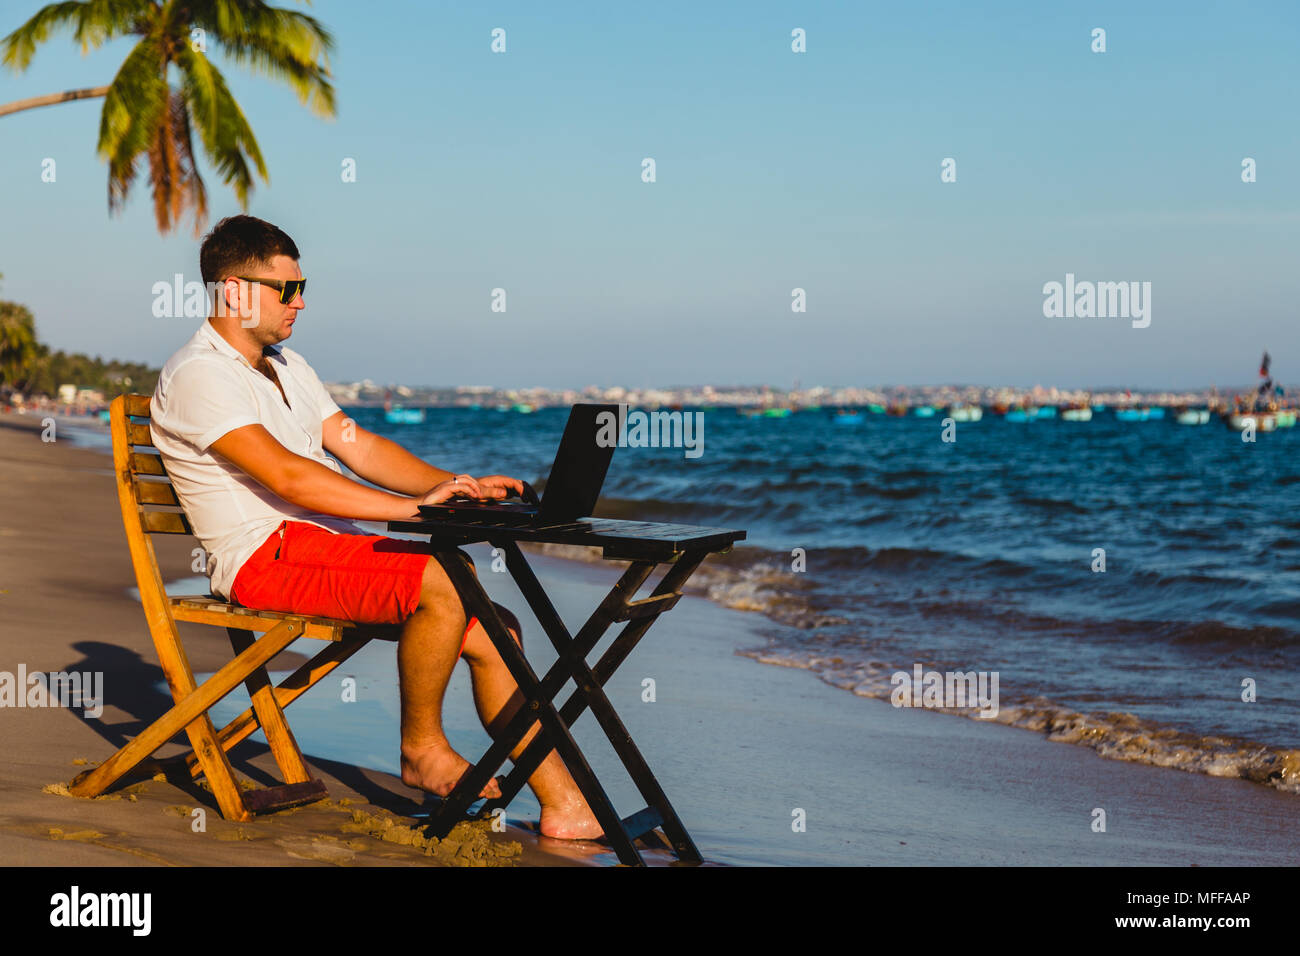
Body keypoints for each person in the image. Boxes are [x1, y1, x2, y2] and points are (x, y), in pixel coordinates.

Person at [149, 215, 600, 839]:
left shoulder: (286, 367)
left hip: (324, 546)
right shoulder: (200, 374)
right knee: (443, 577)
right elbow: (289, 478)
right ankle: (421, 749)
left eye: (302, 287)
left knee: (497, 624)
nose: (300, 302)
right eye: (286, 289)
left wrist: (458, 486)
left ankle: (568, 807)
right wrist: (419, 512)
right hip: (262, 557)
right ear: (233, 291)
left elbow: (360, 448)